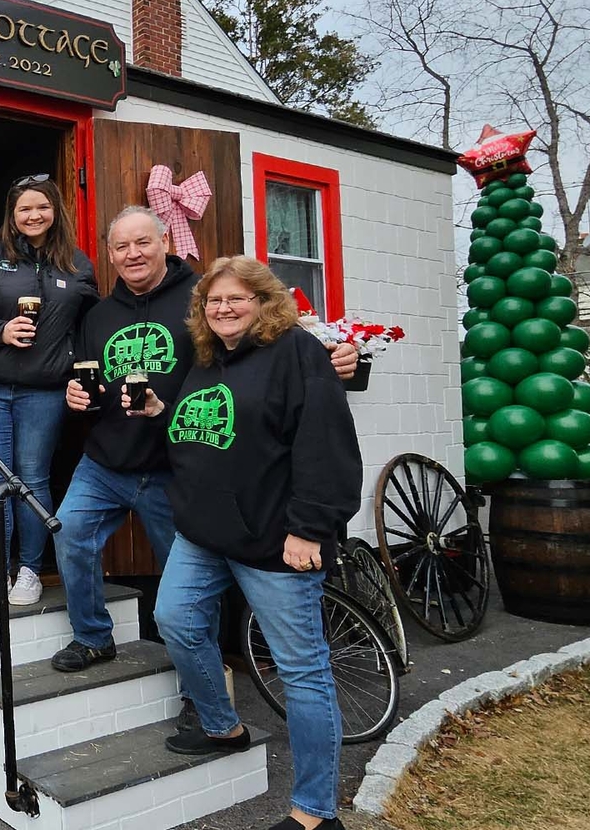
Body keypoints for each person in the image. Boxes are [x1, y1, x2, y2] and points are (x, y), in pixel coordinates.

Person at [52, 206, 355, 673]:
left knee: (188, 595)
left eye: (143, 242)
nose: (133, 254)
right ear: (109, 255)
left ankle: (203, 683)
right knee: (70, 532)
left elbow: (266, 339)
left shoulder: (202, 300)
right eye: (121, 246)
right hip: (106, 462)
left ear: (165, 243)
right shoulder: (98, 315)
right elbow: (93, 381)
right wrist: (78, 396)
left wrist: (332, 354)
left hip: (176, 470)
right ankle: (92, 637)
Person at [152, 255, 361, 830]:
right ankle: (223, 727)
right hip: (205, 533)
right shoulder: (207, 359)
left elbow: (326, 444)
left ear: (265, 303)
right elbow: (208, 428)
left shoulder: (298, 353)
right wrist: (160, 412)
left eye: (236, 298)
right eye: (213, 300)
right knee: (175, 619)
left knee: (301, 672)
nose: (223, 309)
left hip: (276, 542)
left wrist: (311, 527)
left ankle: (316, 813)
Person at [0, 175, 98, 608]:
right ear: (12, 216)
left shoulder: (76, 264)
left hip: (44, 390)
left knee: (33, 478)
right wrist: (0, 330)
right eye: (24, 209)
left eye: (42, 207)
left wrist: (80, 371)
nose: (34, 216)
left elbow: (90, 328)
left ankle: (30, 571)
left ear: (55, 212)